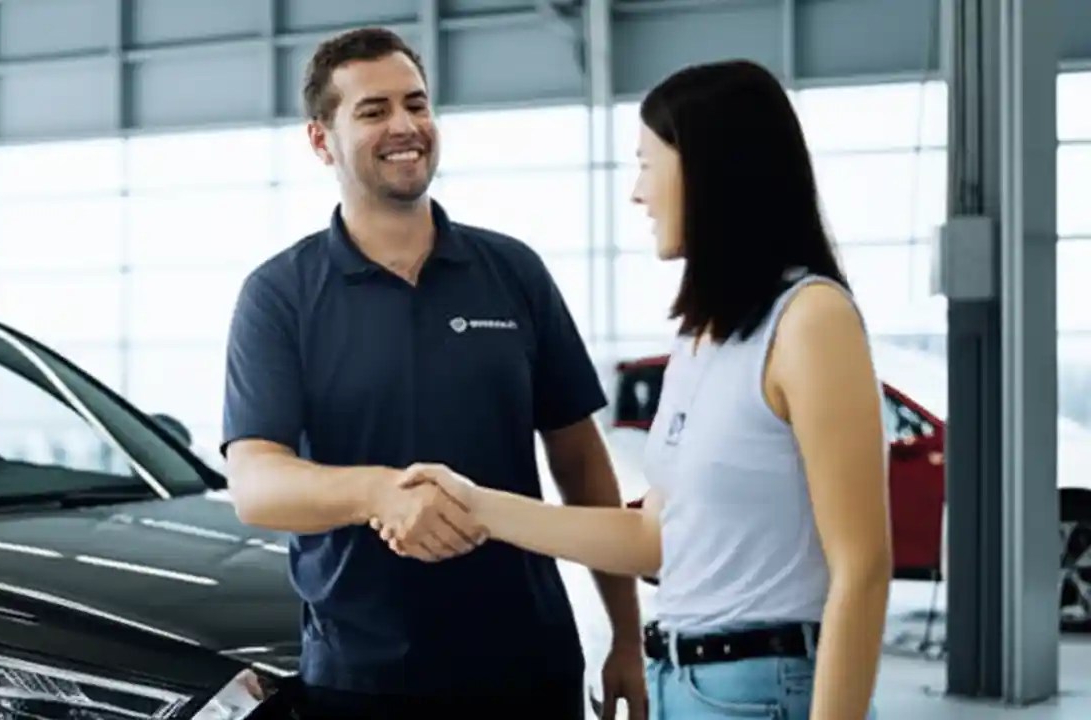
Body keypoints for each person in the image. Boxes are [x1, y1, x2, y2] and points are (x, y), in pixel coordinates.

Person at [381, 59, 892, 720]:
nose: (638, 194)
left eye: (648, 165)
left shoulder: (811, 320)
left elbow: (862, 568)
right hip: (684, 685)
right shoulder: (704, 338)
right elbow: (654, 537)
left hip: (766, 691)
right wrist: (476, 505)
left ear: (709, 170)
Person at [220, 26, 646, 720]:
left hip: (529, 665)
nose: (405, 126)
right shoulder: (280, 295)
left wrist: (626, 635)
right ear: (321, 141)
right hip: (362, 678)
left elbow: (580, 460)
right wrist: (379, 493)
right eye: (374, 110)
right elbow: (256, 484)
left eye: (416, 104)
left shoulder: (513, 272)